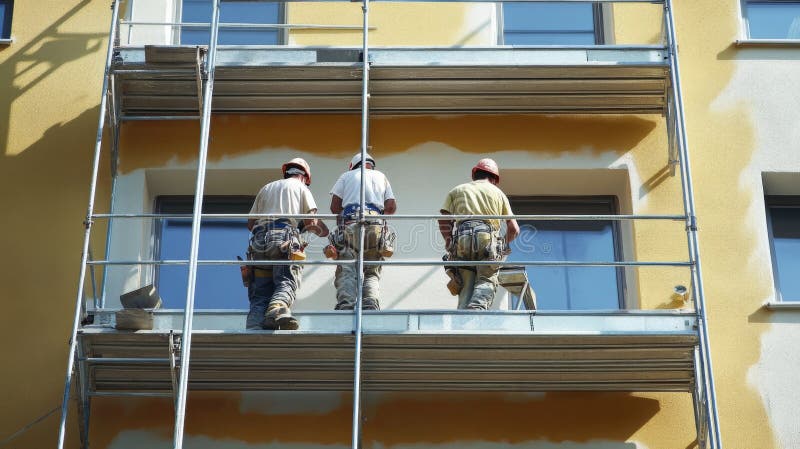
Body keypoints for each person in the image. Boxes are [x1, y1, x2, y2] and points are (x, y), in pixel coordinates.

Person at [245, 157, 328, 330]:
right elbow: (311, 223)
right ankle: (277, 309)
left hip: (258, 243)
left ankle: (254, 327)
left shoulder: (266, 188)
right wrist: (324, 230)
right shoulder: (301, 188)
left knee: (261, 290)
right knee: (285, 280)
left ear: (287, 172)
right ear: (304, 177)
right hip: (283, 237)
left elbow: (251, 224)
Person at [439, 158, 519, 310]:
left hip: (462, 239)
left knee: (465, 283)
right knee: (486, 278)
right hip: (487, 239)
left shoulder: (457, 190)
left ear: (475, 174)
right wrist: (503, 246)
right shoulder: (498, 193)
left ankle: (463, 318)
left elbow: (444, 220)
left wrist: (449, 243)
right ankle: (476, 310)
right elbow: (514, 229)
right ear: (494, 178)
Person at [328, 152, 397, 311]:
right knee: (372, 271)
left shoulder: (346, 176)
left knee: (347, 268)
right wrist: (380, 218)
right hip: (375, 225)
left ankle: (346, 304)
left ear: (353, 165)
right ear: (372, 165)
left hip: (351, 222)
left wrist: (342, 224)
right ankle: (370, 303)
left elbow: (334, 206)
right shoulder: (381, 176)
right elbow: (391, 206)